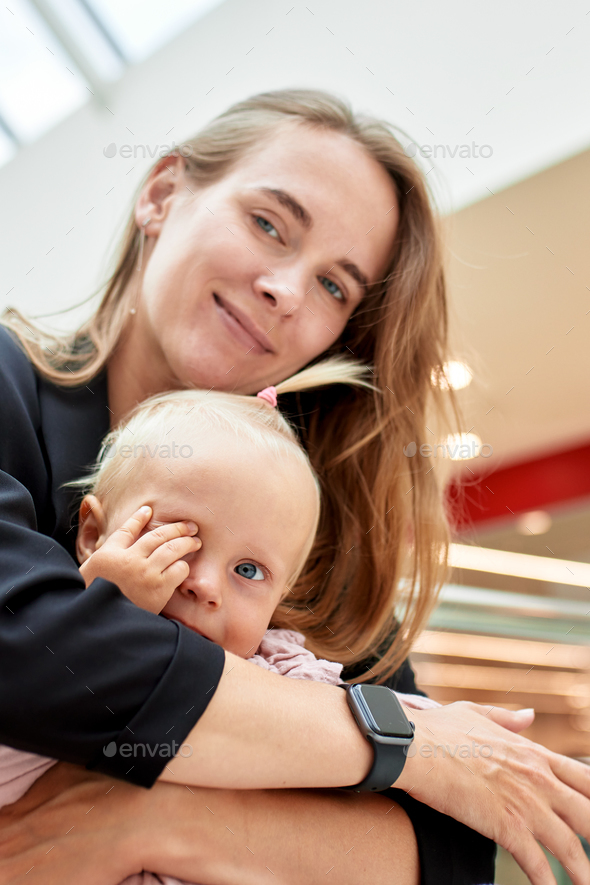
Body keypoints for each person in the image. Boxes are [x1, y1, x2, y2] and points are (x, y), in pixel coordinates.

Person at [0, 88, 589, 885]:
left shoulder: (314, 546)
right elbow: (30, 648)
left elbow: (449, 848)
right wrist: (408, 741)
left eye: (335, 287)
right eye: (269, 223)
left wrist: (151, 819)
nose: (285, 288)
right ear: (163, 193)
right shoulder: (9, 386)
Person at [0, 373, 439, 885]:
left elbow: (400, 733)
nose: (204, 585)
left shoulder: (284, 678)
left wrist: (446, 732)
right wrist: (98, 602)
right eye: (176, 539)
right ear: (94, 533)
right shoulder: (37, 646)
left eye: (249, 571)